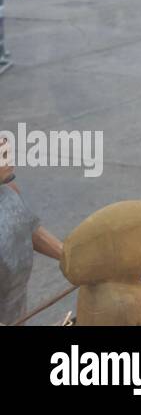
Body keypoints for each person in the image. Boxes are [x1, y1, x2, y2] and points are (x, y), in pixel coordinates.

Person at [0, 136, 64, 325]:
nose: (9, 162)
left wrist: (68, 254)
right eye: (3, 156)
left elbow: (28, 227)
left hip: (16, 300)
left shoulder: (10, 192)